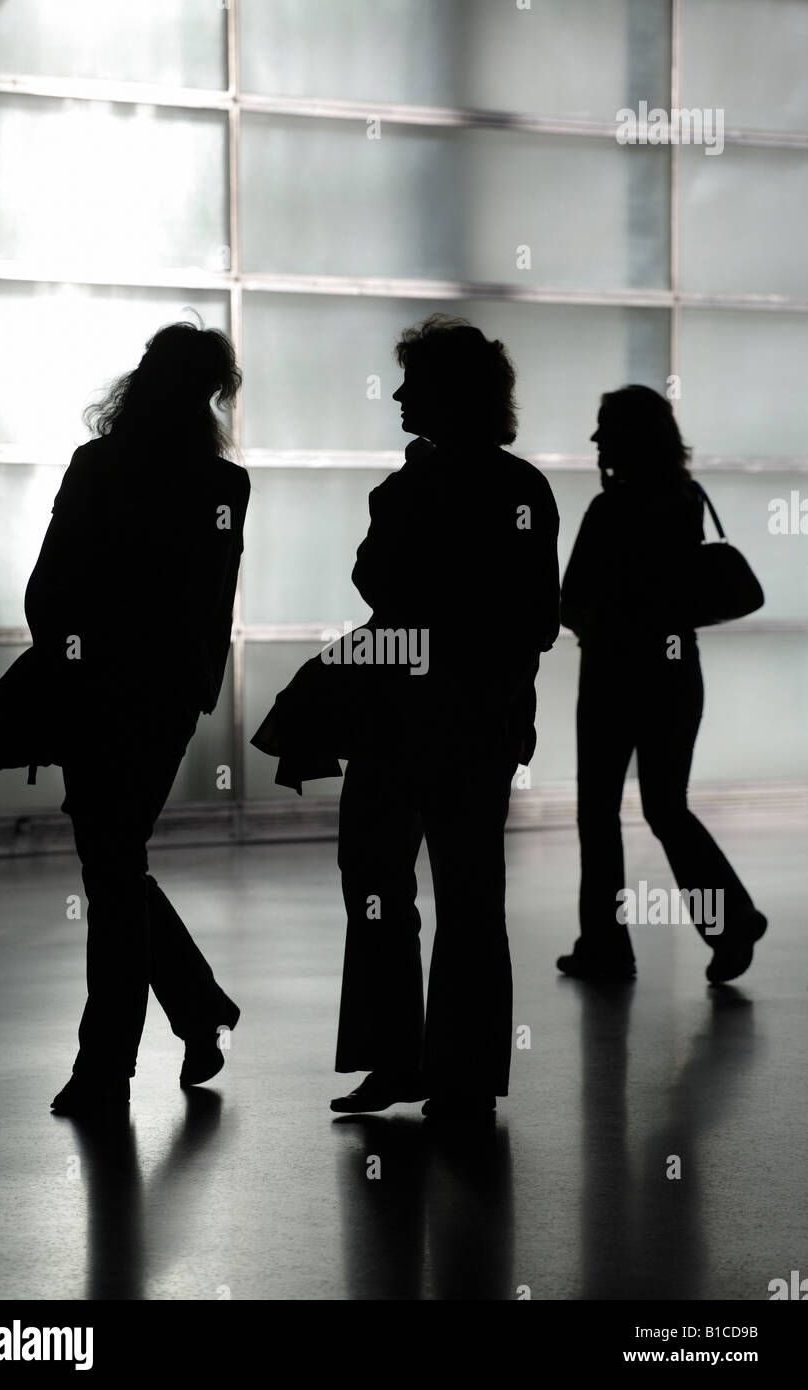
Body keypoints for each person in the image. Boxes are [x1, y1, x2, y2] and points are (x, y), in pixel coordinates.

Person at [326, 315, 561, 1122]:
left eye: (412, 382)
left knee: (377, 881)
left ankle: (393, 1058)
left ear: (445, 396)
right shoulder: (522, 488)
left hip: (397, 713)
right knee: (469, 890)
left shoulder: (414, 486)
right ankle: (461, 1073)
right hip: (479, 717)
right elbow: (535, 616)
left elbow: (376, 582)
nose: (397, 393)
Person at [24, 321, 250, 1116]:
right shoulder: (225, 487)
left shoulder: (98, 466)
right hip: (161, 697)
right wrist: (191, 688)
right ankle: (189, 1013)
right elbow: (208, 604)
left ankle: (109, 1066)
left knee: (111, 866)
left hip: (95, 688)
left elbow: (50, 585)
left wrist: (64, 653)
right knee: (116, 864)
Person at [558, 384, 766, 984]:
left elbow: (573, 600)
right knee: (666, 807)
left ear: (626, 437)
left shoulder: (610, 510)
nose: (596, 440)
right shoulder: (684, 500)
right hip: (674, 673)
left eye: (605, 428)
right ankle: (731, 920)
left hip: (610, 677)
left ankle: (605, 944)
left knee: (597, 812)